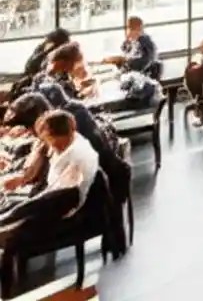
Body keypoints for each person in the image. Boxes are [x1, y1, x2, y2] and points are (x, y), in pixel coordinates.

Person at [0, 111, 101, 296]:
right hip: (55, 202)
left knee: (13, 237)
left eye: (50, 139)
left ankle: (7, 294)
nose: (49, 144)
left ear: (62, 135)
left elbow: (59, 193)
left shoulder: (77, 155)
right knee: (16, 220)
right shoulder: (66, 142)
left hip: (69, 211)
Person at [106, 16, 160, 80]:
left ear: (137, 29)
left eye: (130, 28)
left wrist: (123, 61)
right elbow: (123, 50)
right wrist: (127, 41)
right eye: (128, 28)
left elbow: (142, 64)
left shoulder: (146, 43)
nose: (128, 31)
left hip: (144, 79)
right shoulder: (133, 40)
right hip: (133, 75)